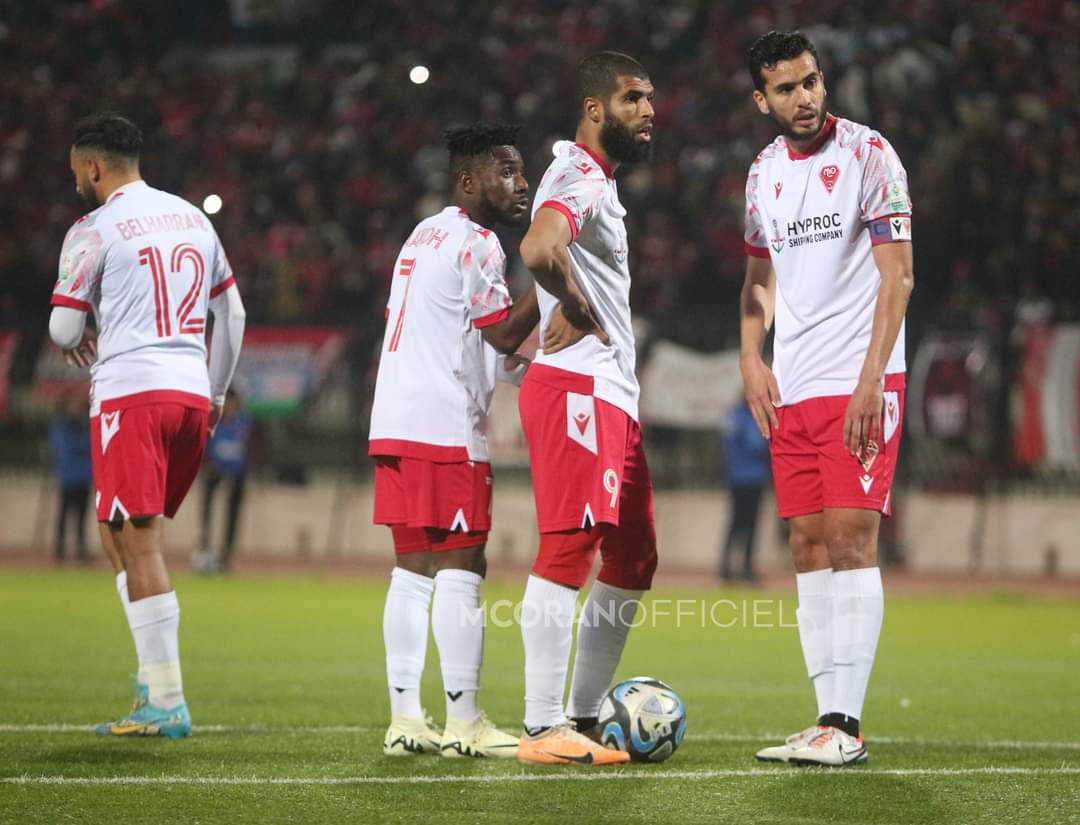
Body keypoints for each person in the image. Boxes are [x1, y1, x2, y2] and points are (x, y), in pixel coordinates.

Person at [738, 31, 914, 767]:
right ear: (763, 99)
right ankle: (823, 722)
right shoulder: (762, 172)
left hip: (860, 381)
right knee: (806, 546)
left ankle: (847, 723)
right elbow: (758, 277)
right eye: (786, 88)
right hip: (795, 385)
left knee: (849, 542)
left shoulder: (870, 154)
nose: (804, 97)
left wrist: (873, 377)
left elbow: (898, 274)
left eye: (810, 81)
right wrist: (750, 355)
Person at [369, 123, 571, 759]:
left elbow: (467, 337)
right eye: (506, 173)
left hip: (394, 421)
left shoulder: (422, 235)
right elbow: (502, 334)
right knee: (463, 566)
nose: (521, 184)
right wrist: (552, 278)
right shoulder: (479, 243)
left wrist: (520, 362)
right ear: (467, 180)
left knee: (410, 571)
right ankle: (465, 723)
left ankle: (405, 720)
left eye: (522, 171)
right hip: (444, 427)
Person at [49, 112, 246, 737]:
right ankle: (149, 677)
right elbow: (233, 314)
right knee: (113, 529)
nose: (75, 182)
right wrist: (215, 394)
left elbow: (62, 328)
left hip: (131, 392)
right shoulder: (192, 217)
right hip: (188, 391)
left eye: (76, 172)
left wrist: (79, 331)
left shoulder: (93, 227)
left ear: (93, 167)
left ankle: (167, 699)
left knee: (139, 540)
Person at [514, 51, 658, 766]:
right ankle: (542, 728)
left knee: (634, 557)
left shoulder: (598, 182)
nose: (648, 111)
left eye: (650, 98)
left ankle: (581, 715)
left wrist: (542, 313)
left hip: (610, 396)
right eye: (633, 99)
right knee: (570, 548)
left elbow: (558, 259)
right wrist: (572, 304)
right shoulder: (579, 175)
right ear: (595, 109)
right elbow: (539, 246)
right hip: (580, 389)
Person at [194, 388, 251, 573]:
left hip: (237, 475)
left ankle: (226, 552)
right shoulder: (212, 422)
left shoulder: (244, 424)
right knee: (207, 509)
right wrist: (207, 466)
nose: (230, 408)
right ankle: (205, 547)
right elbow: (203, 447)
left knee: (233, 512)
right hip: (214, 472)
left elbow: (250, 449)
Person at [719, 399, 769, 583]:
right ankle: (733, 568)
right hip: (745, 477)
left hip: (749, 477)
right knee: (741, 524)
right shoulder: (743, 416)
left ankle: (740, 567)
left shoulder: (738, 416)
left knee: (745, 525)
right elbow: (754, 444)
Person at [49, 391, 93, 563]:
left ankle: (81, 549)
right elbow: (63, 451)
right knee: (63, 515)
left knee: (82, 517)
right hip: (68, 478)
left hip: (83, 478)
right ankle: (60, 548)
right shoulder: (61, 428)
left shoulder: (85, 427)